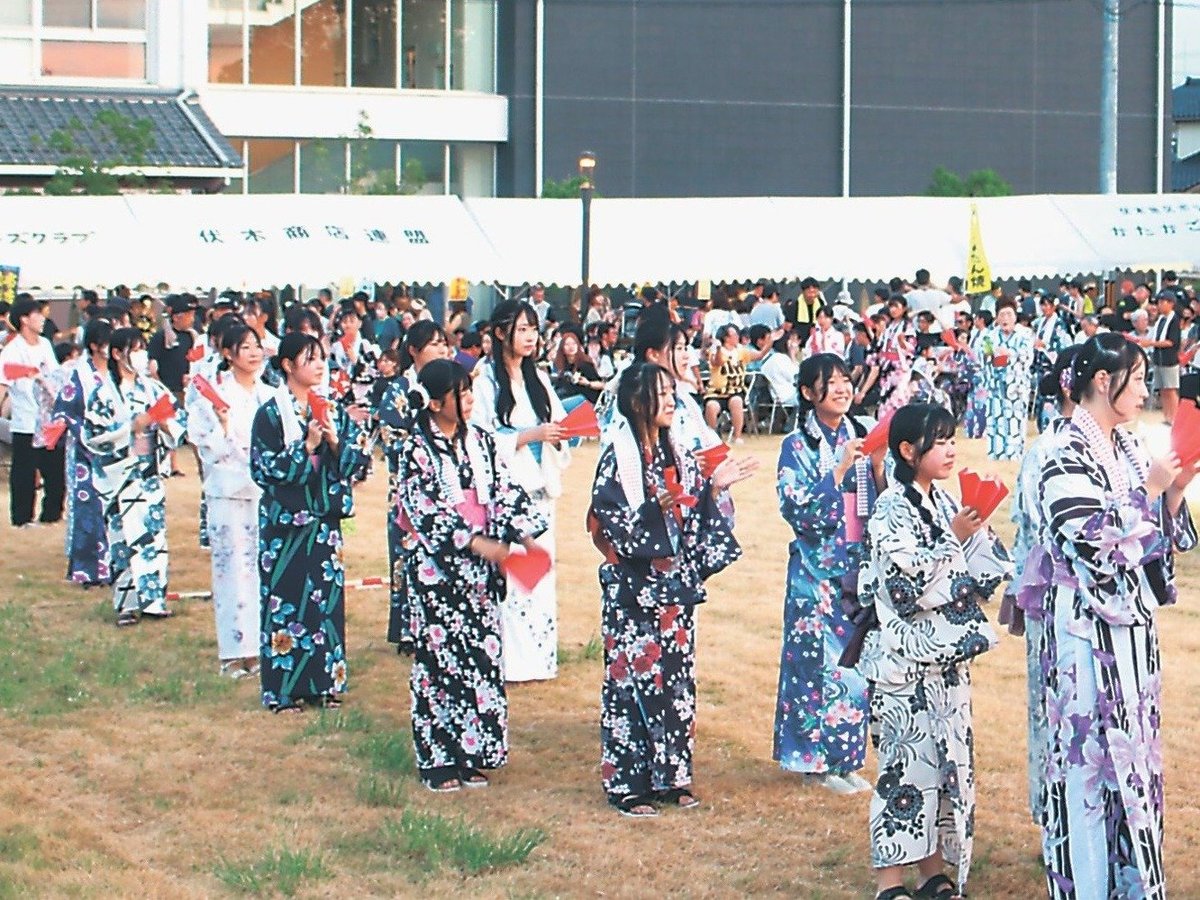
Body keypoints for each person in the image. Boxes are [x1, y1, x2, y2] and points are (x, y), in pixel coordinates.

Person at [1024, 334, 1195, 900]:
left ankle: (1132, 884)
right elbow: (1090, 541)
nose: (1147, 390)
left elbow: (1153, 544)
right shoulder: (1060, 451)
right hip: (1081, 626)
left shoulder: (1127, 446)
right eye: (1139, 378)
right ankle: (1088, 886)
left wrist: (1172, 496)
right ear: (1104, 381)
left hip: (1128, 626)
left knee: (1133, 754)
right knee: (1086, 762)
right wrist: (1149, 494)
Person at [855, 403, 1011, 900]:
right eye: (938, 440)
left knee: (944, 769)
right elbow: (903, 586)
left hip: (945, 665)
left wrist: (976, 532)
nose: (949, 449)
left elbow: (983, 571)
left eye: (951, 438)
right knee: (903, 769)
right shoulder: (889, 508)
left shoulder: (943, 501)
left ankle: (932, 872)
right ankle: (889, 883)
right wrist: (955, 540)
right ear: (907, 450)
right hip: (902, 660)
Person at [590, 362, 757, 817]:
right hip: (633, 591)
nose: (669, 401)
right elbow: (612, 526)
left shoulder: (679, 454)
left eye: (671, 393)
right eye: (659, 393)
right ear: (634, 401)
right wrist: (650, 510)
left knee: (676, 684)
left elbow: (693, 516)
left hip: (674, 593)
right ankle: (628, 783)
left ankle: (673, 776)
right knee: (632, 682)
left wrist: (713, 488)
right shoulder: (617, 457)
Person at [395, 359, 546, 792]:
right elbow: (424, 511)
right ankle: (437, 759)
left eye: (468, 392)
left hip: (481, 575)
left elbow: (503, 491)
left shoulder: (479, 440)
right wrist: (475, 542)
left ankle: (471, 751)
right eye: (459, 394)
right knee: (440, 662)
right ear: (435, 400)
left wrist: (525, 536)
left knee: (480, 659)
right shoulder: (416, 449)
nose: (467, 400)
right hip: (439, 574)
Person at [773, 354, 885, 794]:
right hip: (813, 573)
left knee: (854, 665)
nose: (841, 389)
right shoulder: (796, 445)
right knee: (814, 666)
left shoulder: (863, 432)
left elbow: (884, 498)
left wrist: (875, 466)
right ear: (807, 393)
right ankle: (813, 760)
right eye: (830, 382)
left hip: (855, 568)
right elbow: (796, 507)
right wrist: (837, 468)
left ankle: (846, 759)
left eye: (844, 380)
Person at [249, 332, 371, 713]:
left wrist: (335, 444)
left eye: (322, 359)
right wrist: (305, 447)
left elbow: (359, 463)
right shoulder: (270, 413)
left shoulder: (333, 409)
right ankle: (282, 690)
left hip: (322, 521)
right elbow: (263, 469)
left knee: (325, 604)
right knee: (285, 603)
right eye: (310, 359)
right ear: (287, 365)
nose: (320, 365)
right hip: (286, 524)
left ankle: (323, 683)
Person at [471, 300, 569, 682]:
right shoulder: (484, 382)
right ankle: (509, 661)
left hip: (540, 489)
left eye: (533, 330)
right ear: (500, 333)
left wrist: (560, 436)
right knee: (513, 577)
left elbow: (557, 423)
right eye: (522, 329)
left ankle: (539, 659)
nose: (530, 337)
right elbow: (478, 440)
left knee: (541, 575)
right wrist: (529, 436)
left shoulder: (539, 379)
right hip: (509, 494)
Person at [1004, 345, 1079, 830]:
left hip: (1102, 604)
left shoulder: (1123, 446)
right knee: (1055, 710)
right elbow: (1032, 527)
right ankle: (1057, 817)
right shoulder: (1046, 450)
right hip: (1056, 599)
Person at [81, 327, 187, 626]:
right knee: (123, 538)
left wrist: (165, 426)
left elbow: (177, 421)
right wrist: (130, 427)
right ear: (117, 354)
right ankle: (126, 602)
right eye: (134, 348)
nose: (141, 355)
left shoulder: (154, 389)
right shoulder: (103, 394)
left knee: (152, 536)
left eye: (143, 348)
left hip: (148, 472)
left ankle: (154, 599)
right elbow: (93, 436)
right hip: (119, 475)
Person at [190, 323, 275, 678]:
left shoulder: (270, 395)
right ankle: (232, 652)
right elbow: (202, 443)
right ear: (228, 354)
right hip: (227, 491)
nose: (254, 353)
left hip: (263, 492)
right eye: (245, 347)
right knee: (231, 571)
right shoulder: (214, 394)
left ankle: (258, 648)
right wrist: (223, 426)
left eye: (257, 346)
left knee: (261, 569)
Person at [382, 320, 449, 653]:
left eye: (443, 344)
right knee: (406, 555)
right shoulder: (398, 390)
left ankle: (436, 624)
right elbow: (392, 439)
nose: (441, 350)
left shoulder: (449, 386)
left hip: (445, 484)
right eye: (433, 344)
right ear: (413, 350)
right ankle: (409, 630)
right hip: (408, 485)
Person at [51, 319, 112, 585]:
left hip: (116, 451)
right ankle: (86, 568)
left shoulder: (118, 374)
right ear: (95, 346)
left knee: (114, 509)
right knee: (88, 509)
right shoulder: (80, 375)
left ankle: (112, 565)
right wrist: (85, 429)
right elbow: (63, 410)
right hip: (85, 454)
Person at [0, 297, 63, 527]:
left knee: (55, 473)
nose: (43, 318)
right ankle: (22, 519)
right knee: (24, 474)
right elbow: (3, 385)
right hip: (26, 421)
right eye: (38, 314)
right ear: (25, 319)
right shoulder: (12, 350)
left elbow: (54, 376)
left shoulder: (45, 345)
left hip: (50, 422)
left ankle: (51, 516)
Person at [982, 304, 1034, 460]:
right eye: (1002, 314)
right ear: (996, 317)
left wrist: (1006, 355)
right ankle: (996, 455)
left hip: (1016, 387)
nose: (1005, 318)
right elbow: (987, 358)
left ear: (1015, 316)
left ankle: (1014, 456)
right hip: (995, 386)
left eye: (1009, 314)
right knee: (995, 420)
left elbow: (1026, 357)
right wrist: (1007, 356)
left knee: (1015, 421)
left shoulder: (1025, 334)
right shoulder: (989, 337)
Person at [704, 323, 771, 445]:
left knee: (736, 402)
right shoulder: (716, 351)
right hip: (716, 392)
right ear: (726, 338)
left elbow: (760, 355)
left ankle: (737, 436)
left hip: (735, 390)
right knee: (711, 406)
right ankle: (712, 437)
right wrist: (718, 348)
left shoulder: (741, 351)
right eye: (734, 334)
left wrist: (770, 342)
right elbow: (717, 362)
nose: (737, 337)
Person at [1145, 290, 1181, 425]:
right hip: (1159, 359)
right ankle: (1167, 416)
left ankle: (1175, 418)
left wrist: (1151, 343)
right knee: (1162, 390)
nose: (1159, 305)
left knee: (1171, 389)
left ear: (1170, 303)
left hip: (1169, 360)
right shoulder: (1160, 320)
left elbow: (1171, 342)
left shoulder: (1174, 320)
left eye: (1162, 302)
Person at [552, 325, 604, 405]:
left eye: (574, 344)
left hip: (586, 400)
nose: (571, 347)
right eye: (567, 344)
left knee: (559, 404)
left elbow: (602, 385)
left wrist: (587, 383)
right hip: (569, 397)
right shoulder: (562, 365)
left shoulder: (585, 364)